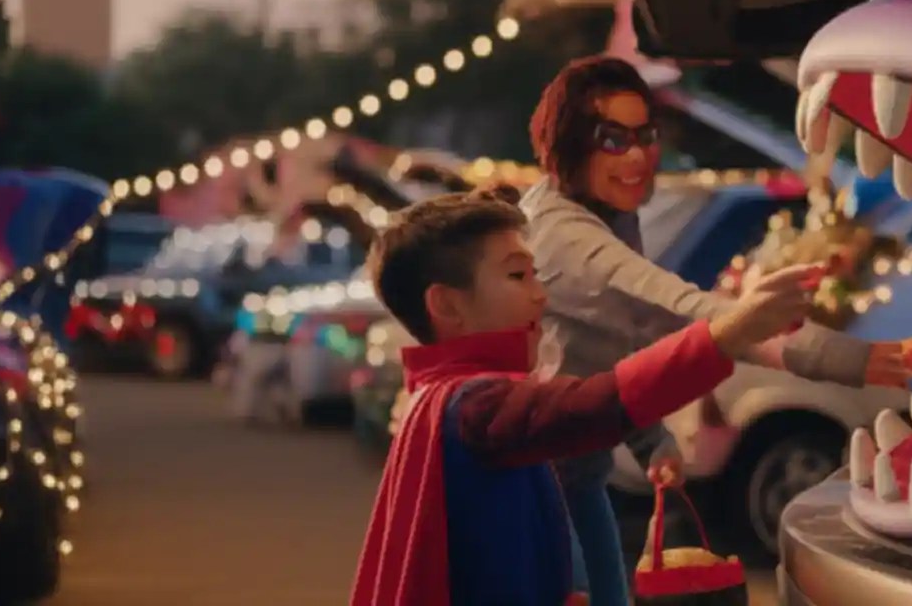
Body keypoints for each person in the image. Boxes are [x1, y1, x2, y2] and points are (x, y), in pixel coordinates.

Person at [520, 55, 912, 605]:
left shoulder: (602, 212)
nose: (639, 155)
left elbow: (617, 347)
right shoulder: (568, 236)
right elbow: (682, 312)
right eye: (612, 139)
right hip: (535, 483)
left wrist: (651, 442)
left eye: (645, 134)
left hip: (579, 469)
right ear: (569, 143)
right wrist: (849, 357)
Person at [350, 185, 825, 606]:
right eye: (517, 277)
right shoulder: (474, 404)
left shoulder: (444, 397)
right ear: (447, 305)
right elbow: (594, 404)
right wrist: (728, 332)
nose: (541, 296)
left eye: (537, 275)